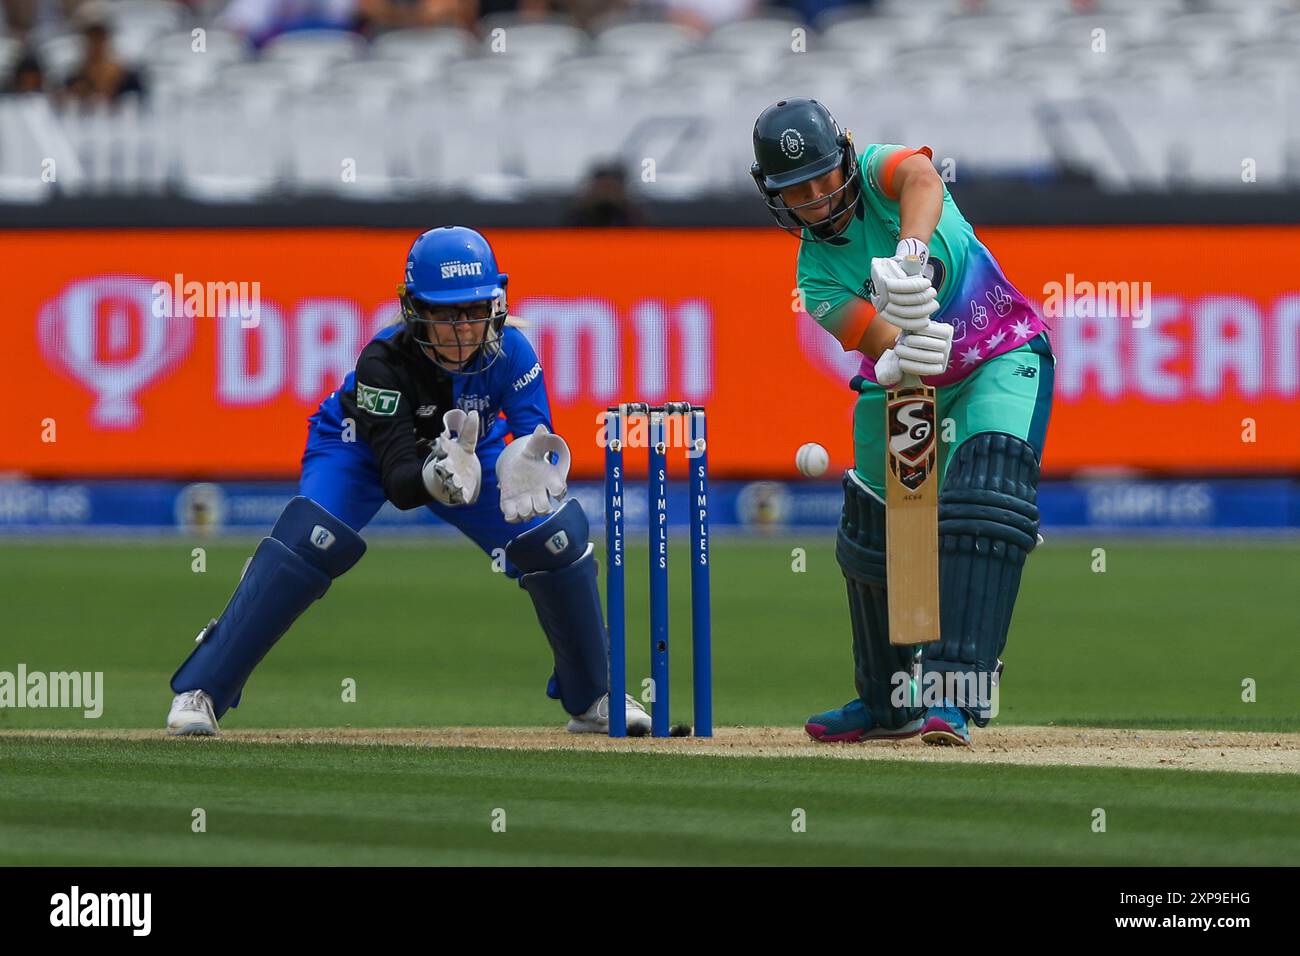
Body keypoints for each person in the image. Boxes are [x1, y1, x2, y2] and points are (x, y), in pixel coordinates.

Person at [167, 225, 650, 736]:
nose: (462, 329)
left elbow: (534, 435)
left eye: (472, 311)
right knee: (307, 544)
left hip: (472, 450)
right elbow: (397, 482)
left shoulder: (514, 352)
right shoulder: (384, 362)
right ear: (415, 310)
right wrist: (435, 476)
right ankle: (203, 689)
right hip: (357, 447)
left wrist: (523, 459)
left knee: (557, 539)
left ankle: (595, 695)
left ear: (496, 304)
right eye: (445, 314)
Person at [750, 98, 1054, 747]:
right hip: (908, 382)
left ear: (847, 160)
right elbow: (885, 339)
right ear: (774, 197)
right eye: (794, 191)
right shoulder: (817, 277)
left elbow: (923, 179)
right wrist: (900, 345)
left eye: (823, 178)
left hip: (1002, 351)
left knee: (984, 501)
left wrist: (910, 255)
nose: (814, 197)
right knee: (873, 532)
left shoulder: (883, 169)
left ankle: (956, 694)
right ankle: (890, 702)